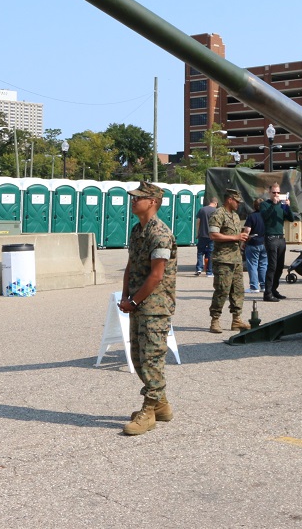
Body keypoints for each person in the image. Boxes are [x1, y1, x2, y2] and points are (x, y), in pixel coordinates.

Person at [118, 181, 177, 436]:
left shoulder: (160, 233)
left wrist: (133, 301)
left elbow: (156, 275)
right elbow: (131, 265)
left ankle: (149, 410)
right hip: (138, 303)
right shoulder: (136, 230)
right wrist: (125, 296)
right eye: (133, 198)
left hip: (155, 306)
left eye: (138, 198)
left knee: (152, 359)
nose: (133, 201)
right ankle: (161, 405)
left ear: (152, 202)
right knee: (138, 358)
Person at [207, 189, 250, 334]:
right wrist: (236, 237)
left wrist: (243, 238)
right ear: (229, 199)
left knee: (238, 291)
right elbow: (213, 235)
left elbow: (237, 236)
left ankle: (236, 320)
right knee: (222, 290)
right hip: (223, 260)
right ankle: (215, 320)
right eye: (237, 201)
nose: (238, 204)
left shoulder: (236, 216)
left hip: (236, 259)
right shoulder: (218, 214)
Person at [260, 184, 295, 302]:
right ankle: (267, 293)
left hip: (281, 238)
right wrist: (274, 205)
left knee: (280, 267)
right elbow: (265, 216)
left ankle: (274, 289)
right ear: (269, 193)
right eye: (274, 192)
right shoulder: (265, 204)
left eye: (278, 193)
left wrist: (288, 207)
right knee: (272, 266)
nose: (276, 195)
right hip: (270, 237)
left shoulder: (282, 205)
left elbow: (291, 218)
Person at [242, 198, 267, 293]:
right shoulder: (267, 216)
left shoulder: (251, 216)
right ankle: (264, 285)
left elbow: (247, 230)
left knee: (252, 265)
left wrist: (243, 242)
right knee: (263, 265)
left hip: (253, 243)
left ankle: (254, 286)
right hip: (265, 243)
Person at [194, 197, 217, 277]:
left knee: (200, 252)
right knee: (211, 253)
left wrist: (198, 233)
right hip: (212, 235)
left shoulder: (202, 210)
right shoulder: (216, 211)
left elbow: (198, 222)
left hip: (202, 234)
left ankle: (199, 269)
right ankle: (209, 272)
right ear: (215, 203)